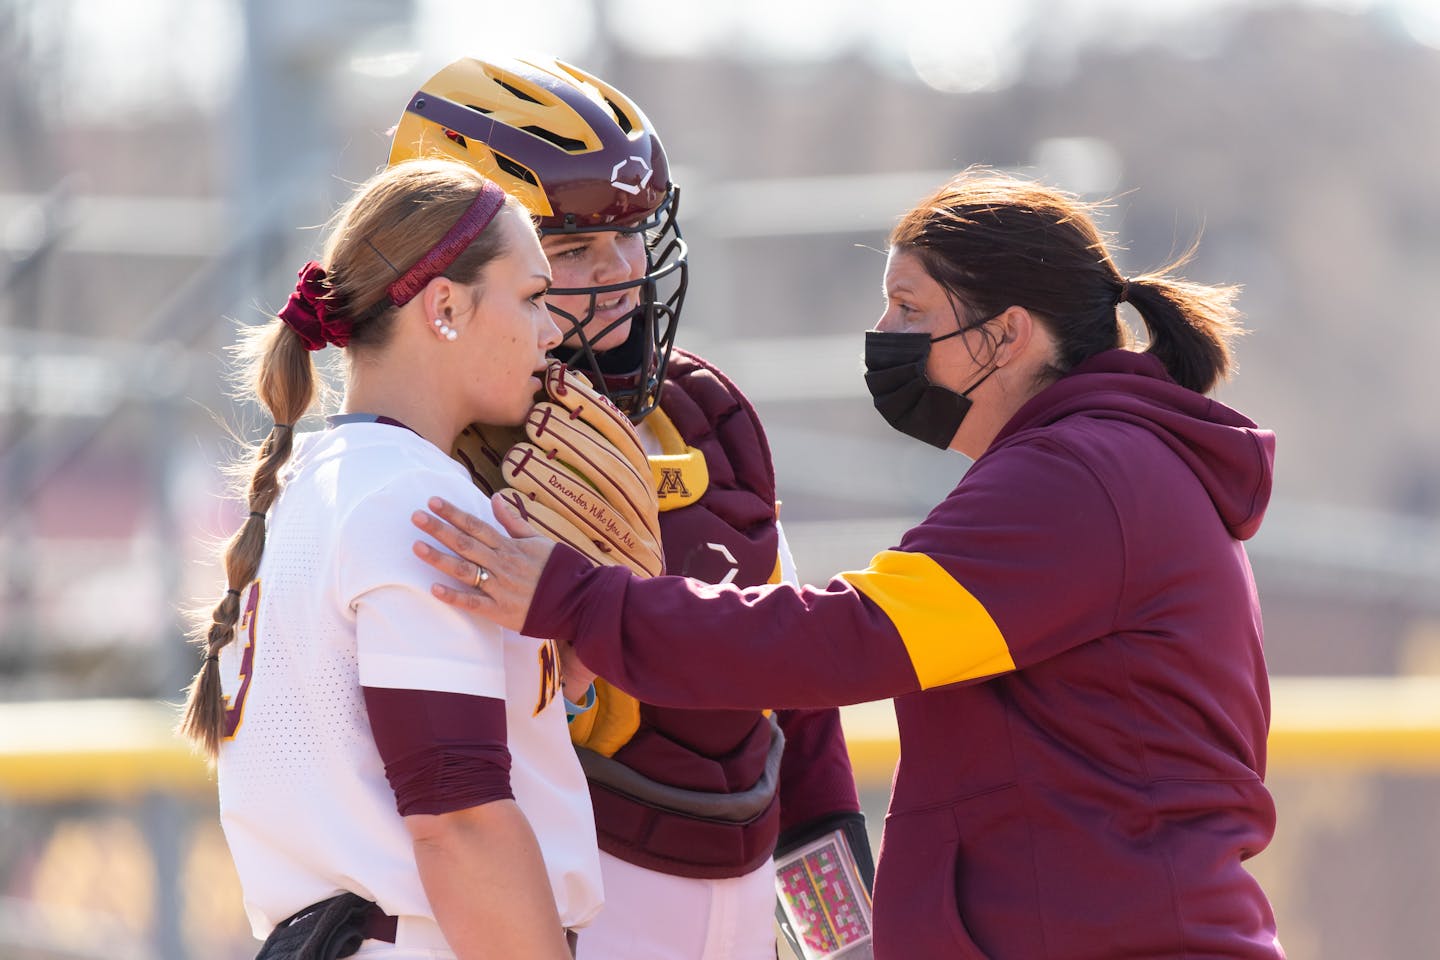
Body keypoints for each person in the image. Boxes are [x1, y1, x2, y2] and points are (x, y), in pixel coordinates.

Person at [410, 168, 1286, 959]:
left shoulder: (1082, 478)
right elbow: (810, 722)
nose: (882, 335)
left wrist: (571, 598)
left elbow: (837, 643)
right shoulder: (1108, 462)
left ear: (1008, 334)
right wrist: (843, 948)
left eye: (910, 310)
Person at [387, 56, 871, 960]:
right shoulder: (421, 463)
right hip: (569, 914)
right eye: (570, 251)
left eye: (632, 235)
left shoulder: (703, 419)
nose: (621, 278)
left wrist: (836, 940)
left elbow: (795, 715)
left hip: (741, 902)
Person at [178, 158, 601, 959]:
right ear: (444, 305)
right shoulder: (415, 497)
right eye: (535, 297)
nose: (552, 332)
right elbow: (459, 820)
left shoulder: (310, 478)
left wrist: (554, 682)